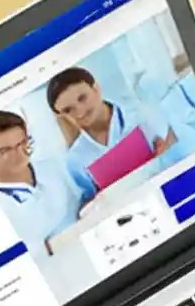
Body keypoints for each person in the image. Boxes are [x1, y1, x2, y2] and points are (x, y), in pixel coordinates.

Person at [46, 67, 180, 206]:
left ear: (96, 89)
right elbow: (92, 206)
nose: (80, 113)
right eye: (68, 110)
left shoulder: (141, 113)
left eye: (82, 98)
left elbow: (177, 148)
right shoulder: (75, 160)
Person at [0, 110, 76, 259]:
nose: (19, 154)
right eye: (6, 150)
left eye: (22, 143)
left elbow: (82, 202)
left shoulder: (53, 166)